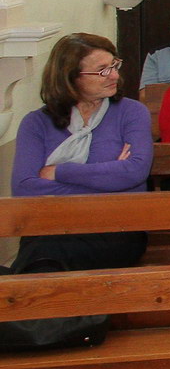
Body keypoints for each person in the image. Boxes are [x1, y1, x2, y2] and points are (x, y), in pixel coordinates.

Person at [9, 33, 153, 270]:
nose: (114, 75)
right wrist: (106, 181)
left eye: (114, 65)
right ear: (70, 78)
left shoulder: (131, 112)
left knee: (46, 258)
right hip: (49, 226)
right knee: (48, 251)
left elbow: (133, 173)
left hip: (116, 228)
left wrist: (59, 171)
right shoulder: (36, 123)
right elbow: (24, 189)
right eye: (102, 70)